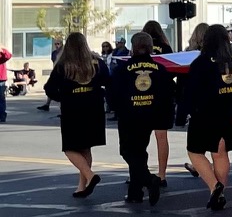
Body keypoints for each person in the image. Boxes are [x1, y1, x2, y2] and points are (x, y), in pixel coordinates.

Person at [109, 30, 170, 206]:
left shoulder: (122, 70)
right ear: (151, 48)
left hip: (129, 116)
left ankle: (149, 180)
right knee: (139, 152)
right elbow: (168, 94)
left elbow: (113, 94)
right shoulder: (160, 69)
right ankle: (135, 192)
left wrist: (116, 109)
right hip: (151, 116)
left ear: (133, 48)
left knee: (128, 151)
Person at [45, 32, 109, 197]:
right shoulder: (97, 63)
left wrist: (63, 98)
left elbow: (49, 88)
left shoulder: (63, 65)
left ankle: (90, 176)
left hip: (73, 111)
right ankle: (82, 186)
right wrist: (99, 93)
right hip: (94, 110)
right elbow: (108, 82)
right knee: (85, 148)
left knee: (70, 148)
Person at [184, 24, 232, 210]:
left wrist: (184, 113)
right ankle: (220, 194)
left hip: (205, 114)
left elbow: (190, 91)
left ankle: (214, 186)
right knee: (220, 153)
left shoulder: (201, 62)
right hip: (230, 114)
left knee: (195, 151)